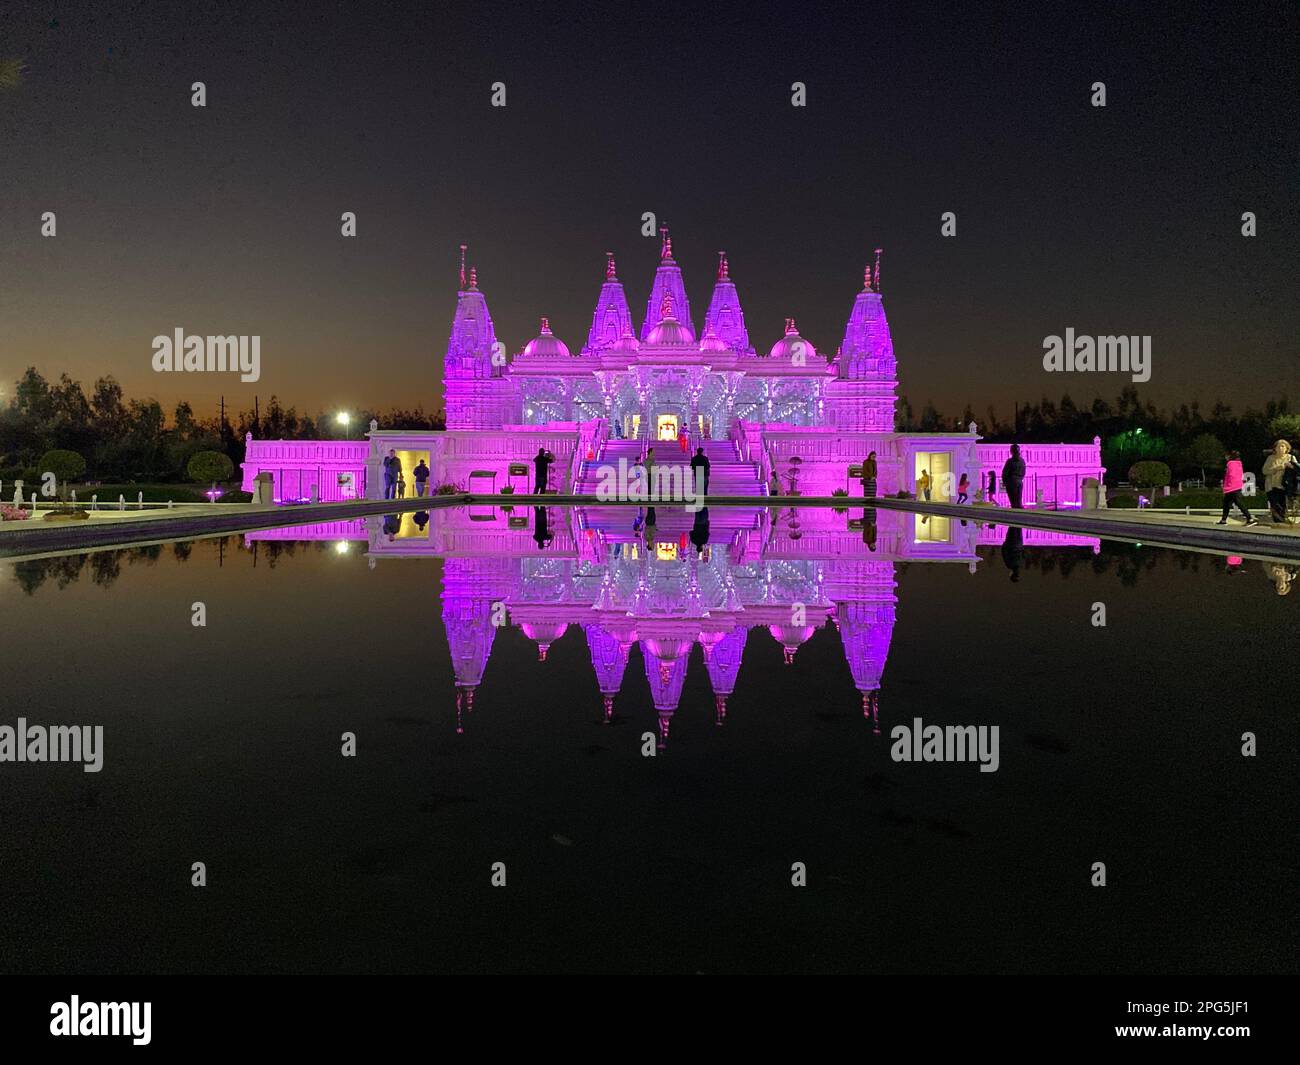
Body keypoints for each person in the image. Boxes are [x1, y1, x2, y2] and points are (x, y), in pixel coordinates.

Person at [1216, 450, 1258, 526]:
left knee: (1237, 503)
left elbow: (1231, 475)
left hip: (1231, 487)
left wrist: (1226, 485)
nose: (1225, 457)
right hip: (1237, 486)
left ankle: (1249, 518)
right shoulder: (1239, 464)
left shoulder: (1230, 463)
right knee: (1227, 503)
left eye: (1226, 456)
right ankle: (1223, 520)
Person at [1261, 438, 1297, 524]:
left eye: (1283, 446)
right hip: (1272, 485)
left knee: (1283, 504)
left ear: (1287, 448)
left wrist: (1291, 467)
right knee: (1275, 503)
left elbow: (1297, 469)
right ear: (1275, 448)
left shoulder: (1291, 458)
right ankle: (1279, 521)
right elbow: (1264, 471)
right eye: (1278, 446)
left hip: (1285, 485)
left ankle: (1282, 520)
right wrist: (1278, 468)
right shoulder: (1271, 458)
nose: (1281, 448)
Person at [1002, 444, 1026, 509]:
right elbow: (1024, 472)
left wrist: (1004, 482)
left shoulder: (1010, 461)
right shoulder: (1022, 461)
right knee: (1018, 499)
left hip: (1011, 482)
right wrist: (1020, 479)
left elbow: (1005, 472)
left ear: (1011, 451)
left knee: (1013, 500)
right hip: (1019, 482)